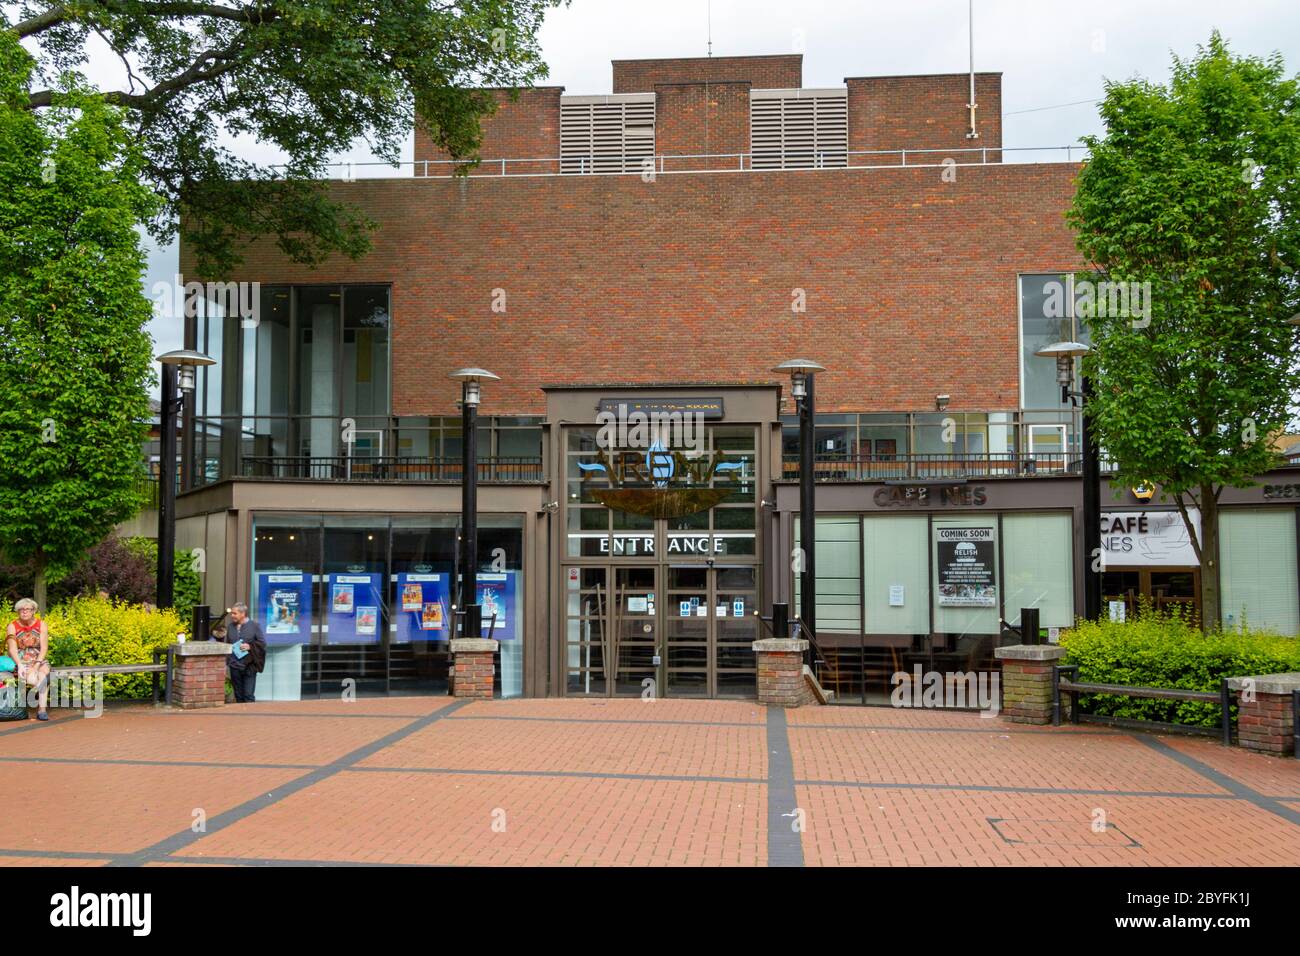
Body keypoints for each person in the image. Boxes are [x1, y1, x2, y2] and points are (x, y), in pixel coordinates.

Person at [6, 598, 51, 720]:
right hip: (20, 658)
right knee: (39, 678)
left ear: (33, 611)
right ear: (17, 612)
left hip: (38, 658)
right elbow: (12, 649)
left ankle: (41, 710)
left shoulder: (41, 625)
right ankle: (42, 710)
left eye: (27, 609)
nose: (24, 612)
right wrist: (20, 665)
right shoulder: (12, 626)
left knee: (43, 672)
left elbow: (44, 648)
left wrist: (36, 665)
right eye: (21, 609)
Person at [222, 603, 266, 703]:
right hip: (234, 666)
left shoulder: (254, 626)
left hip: (249, 667)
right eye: (232, 613)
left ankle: (250, 717)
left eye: (234, 613)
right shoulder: (230, 627)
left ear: (243, 614)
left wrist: (250, 646)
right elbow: (228, 645)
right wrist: (226, 663)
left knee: (248, 696)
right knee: (238, 696)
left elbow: (262, 644)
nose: (232, 615)